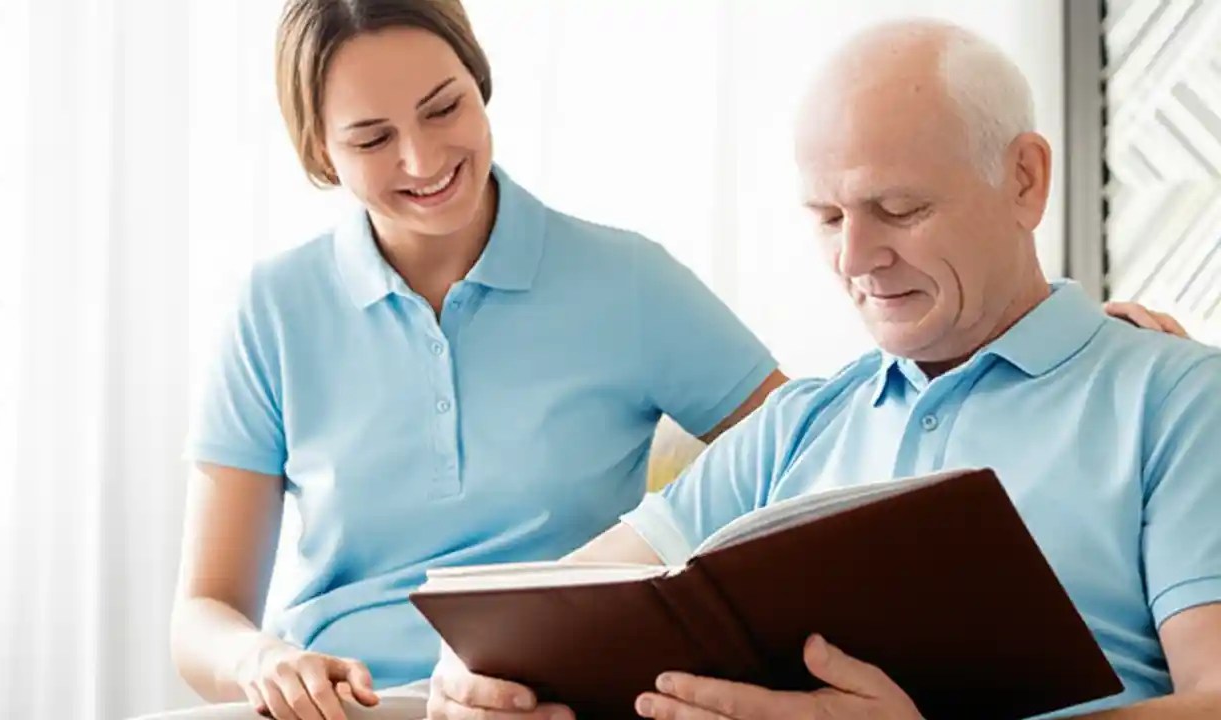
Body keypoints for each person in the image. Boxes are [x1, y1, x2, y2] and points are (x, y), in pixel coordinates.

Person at [428, 19, 1221, 720]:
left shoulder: (1178, 400)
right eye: (828, 216)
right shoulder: (796, 426)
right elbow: (548, 608)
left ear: (1024, 179)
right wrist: (471, 677)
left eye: (901, 209)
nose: (855, 259)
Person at [168, 2, 790, 719]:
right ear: (320, 154)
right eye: (372, 138)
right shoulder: (272, 309)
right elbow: (203, 613)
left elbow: (811, 455)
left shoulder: (627, 282)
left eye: (443, 108)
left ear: (479, 81)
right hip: (348, 708)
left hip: (550, 699)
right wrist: (264, 660)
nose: (422, 160)